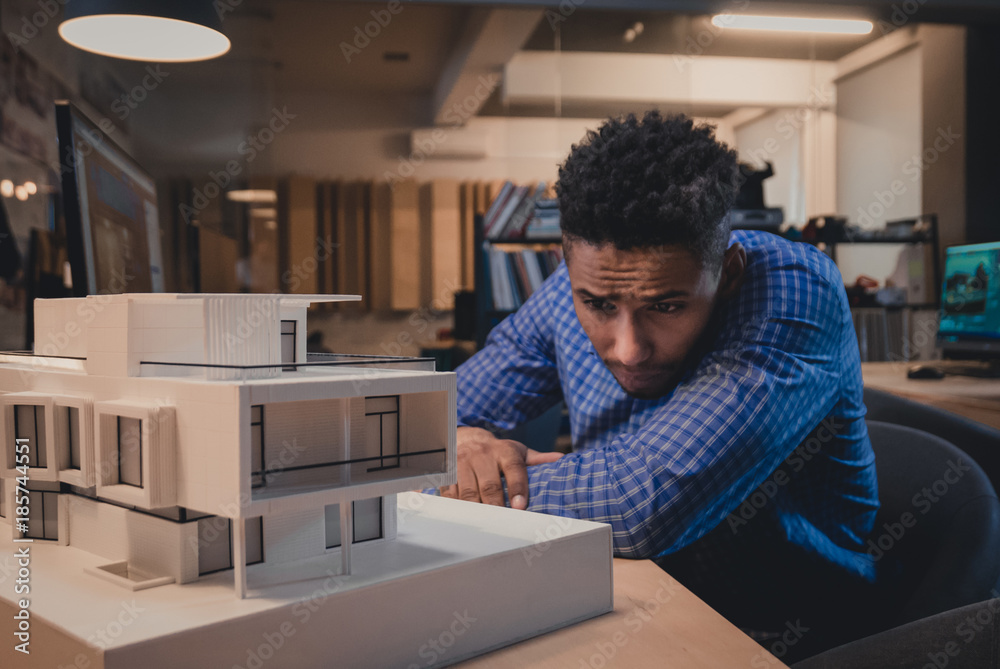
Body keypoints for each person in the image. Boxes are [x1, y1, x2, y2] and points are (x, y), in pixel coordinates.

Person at [439, 111, 879, 651]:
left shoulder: (793, 290)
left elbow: (640, 502)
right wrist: (457, 442)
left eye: (667, 305)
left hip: (789, 631)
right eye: (598, 304)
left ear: (729, 272)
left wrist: (449, 487)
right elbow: (432, 414)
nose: (628, 348)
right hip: (624, 601)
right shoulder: (575, 284)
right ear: (567, 264)